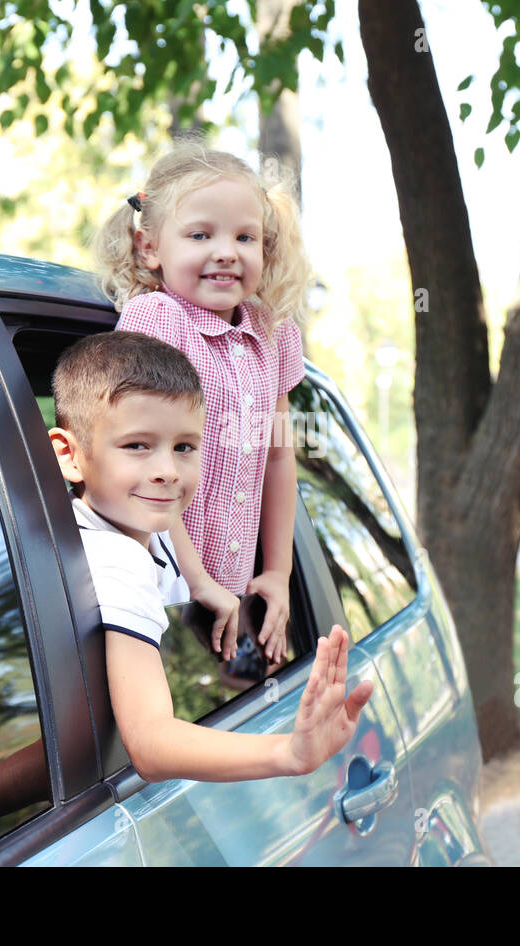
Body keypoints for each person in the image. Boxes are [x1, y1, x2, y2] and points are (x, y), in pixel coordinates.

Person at [0, 332, 372, 854]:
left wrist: (201, 581)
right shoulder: (116, 562)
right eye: (138, 446)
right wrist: (286, 754)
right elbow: (146, 741)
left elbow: (77, 737)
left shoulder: (125, 516)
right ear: (68, 455)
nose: (169, 471)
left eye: (186, 447)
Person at [96, 137, 311, 671]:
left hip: (233, 595)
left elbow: (279, 455)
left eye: (245, 236)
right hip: (166, 591)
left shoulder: (273, 332)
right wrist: (196, 579)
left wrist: (279, 572)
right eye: (200, 234)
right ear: (150, 248)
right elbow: (149, 464)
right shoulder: (158, 322)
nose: (225, 251)